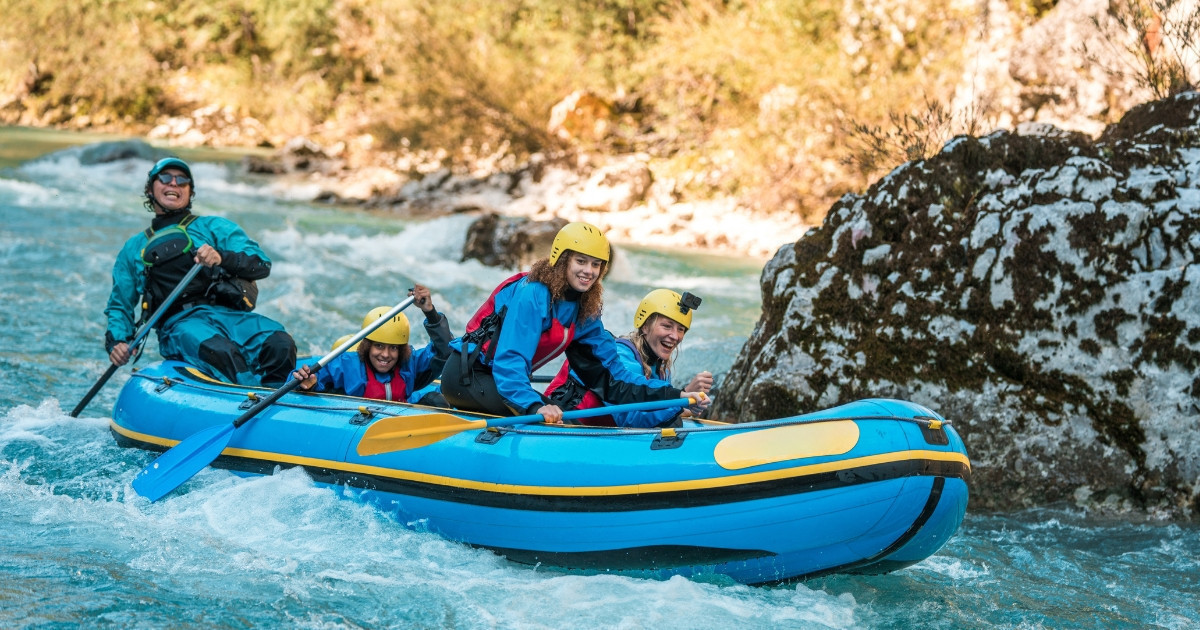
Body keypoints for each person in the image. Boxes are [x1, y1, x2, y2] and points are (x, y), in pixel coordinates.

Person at [440, 221, 689, 423]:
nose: (588, 271)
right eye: (580, 261)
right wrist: (534, 406)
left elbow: (614, 377)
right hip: (470, 377)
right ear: (563, 260)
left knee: (562, 419)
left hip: (502, 383)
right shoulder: (534, 294)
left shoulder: (584, 310)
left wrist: (672, 396)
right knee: (546, 421)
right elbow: (510, 360)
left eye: (596, 264)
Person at [104, 157, 297, 386]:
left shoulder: (214, 227)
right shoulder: (134, 248)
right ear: (150, 188)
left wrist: (221, 257)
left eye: (182, 180)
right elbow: (120, 305)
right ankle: (248, 397)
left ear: (190, 192)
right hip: (178, 325)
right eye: (165, 178)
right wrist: (118, 341)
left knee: (280, 343)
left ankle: (276, 402)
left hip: (228, 316)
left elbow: (261, 264)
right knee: (220, 352)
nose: (174, 184)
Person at [545, 289, 713, 427]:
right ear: (645, 326)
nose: (675, 336)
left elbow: (654, 408)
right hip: (565, 421)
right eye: (667, 326)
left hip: (597, 430)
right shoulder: (622, 357)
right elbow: (630, 419)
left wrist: (689, 402)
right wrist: (681, 398)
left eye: (681, 329)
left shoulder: (661, 367)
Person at [292, 285, 452, 403]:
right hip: (355, 426)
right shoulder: (346, 364)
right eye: (379, 346)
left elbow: (445, 351)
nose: (386, 355)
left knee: (436, 401)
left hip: (399, 423)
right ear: (367, 346)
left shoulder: (409, 363)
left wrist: (430, 312)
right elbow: (302, 377)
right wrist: (307, 383)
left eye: (394, 348)